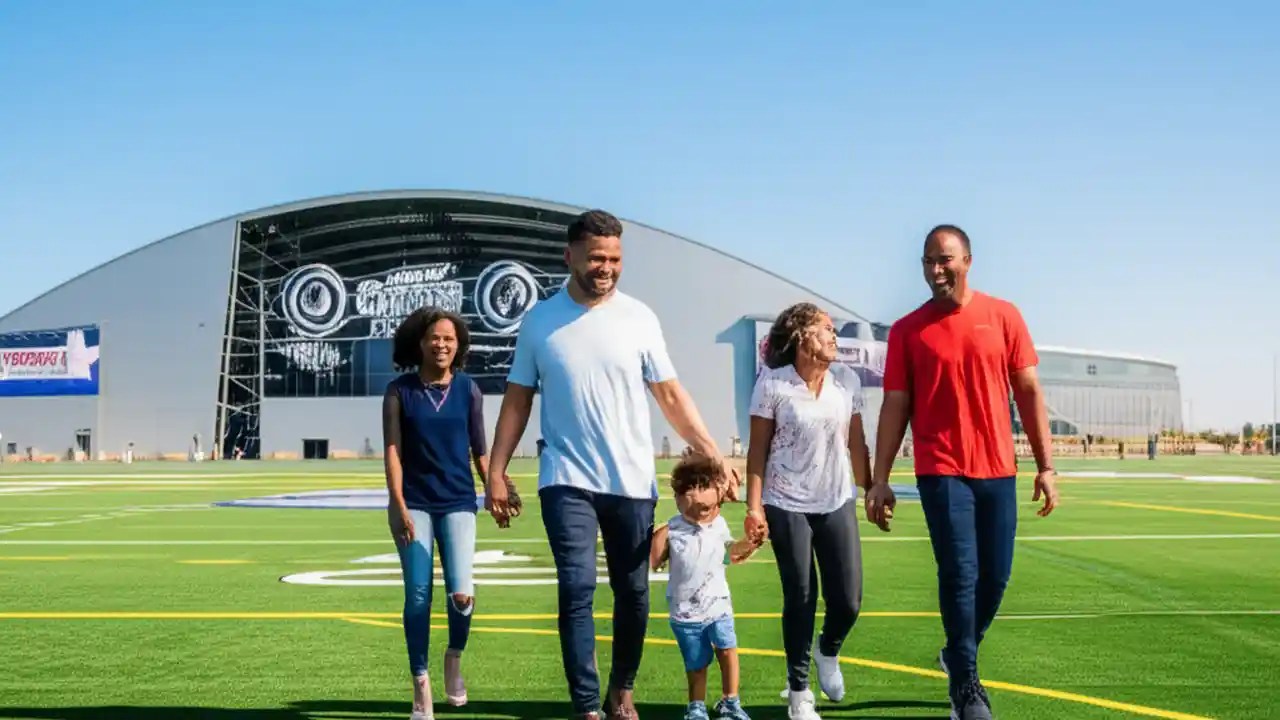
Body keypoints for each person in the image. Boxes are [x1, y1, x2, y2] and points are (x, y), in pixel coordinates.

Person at [484, 209, 736, 720]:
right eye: (597, 257)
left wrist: (710, 447)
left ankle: (622, 688)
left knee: (634, 590)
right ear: (569, 256)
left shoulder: (640, 318)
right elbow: (517, 401)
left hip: (630, 479)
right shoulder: (540, 321)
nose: (607, 267)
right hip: (566, 478)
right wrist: (495, 469)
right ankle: (585, 706)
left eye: (615, 259)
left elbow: (668, 393)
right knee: (575, 587)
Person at [865, 224, 1059, 720]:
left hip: (997, 468)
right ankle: (966, 687)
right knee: (960, 573)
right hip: (940, 468)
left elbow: (1030, 393)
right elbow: (895, 406)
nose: (935, 270)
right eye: (928, 261)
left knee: (996, 577)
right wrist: (880, 478)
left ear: (967, 261)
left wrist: (1046, 466)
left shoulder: (1004, 316)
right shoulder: (909, 330)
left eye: (944, 260)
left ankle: (956, 652)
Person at [381, 306, 523, 720]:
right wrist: (397, 503)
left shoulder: (469, 390)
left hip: (459, 502)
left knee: (462, 597)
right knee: (419, 597)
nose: (441, 344)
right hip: (415, 505)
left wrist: (496, 488)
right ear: (420, 343)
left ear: (458, 346)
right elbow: (393, 451)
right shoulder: (398, 391)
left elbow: (480, 450)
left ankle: (453, 658)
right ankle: (421, 684)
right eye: (434, 338)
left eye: (449, 338)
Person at [744, 302, 873, 720]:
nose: (834, 337)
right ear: (800, 337)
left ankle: (827, 651)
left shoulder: (846, 383)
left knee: (848, 601)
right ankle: (799, 692)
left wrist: (872, 488)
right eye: (826, 330)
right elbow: (758, 451)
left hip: (836, 499)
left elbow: (857, 443)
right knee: (800, 594)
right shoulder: (773, 385)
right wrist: (753, 507)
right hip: (785, 502)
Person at [650, 452, 762, 720]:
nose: (700, 496)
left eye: (705, 486)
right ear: (679, 496)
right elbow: (652, 560)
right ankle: (696, 706)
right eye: (692, 487)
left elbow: (728, 553)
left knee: (727, 650)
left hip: (718, 604)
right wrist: (655, 536)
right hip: (685, 610)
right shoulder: (673, 529)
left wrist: (750, 543)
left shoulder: (719, 525)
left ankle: (730, 701)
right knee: (697, 663)